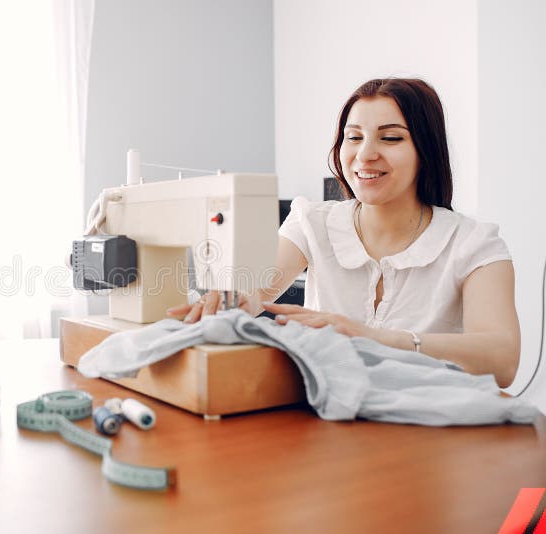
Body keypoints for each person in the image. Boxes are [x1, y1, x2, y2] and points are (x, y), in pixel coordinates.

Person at [167, 78, 520, 388]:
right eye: (353, 137)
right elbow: (257, 283)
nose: (365, 154)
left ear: (425, 151)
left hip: (431, 438)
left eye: (391, 137)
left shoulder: (474, 245)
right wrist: (237, 296)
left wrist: (376, 339)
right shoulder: (313, 222)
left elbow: (503, 362)